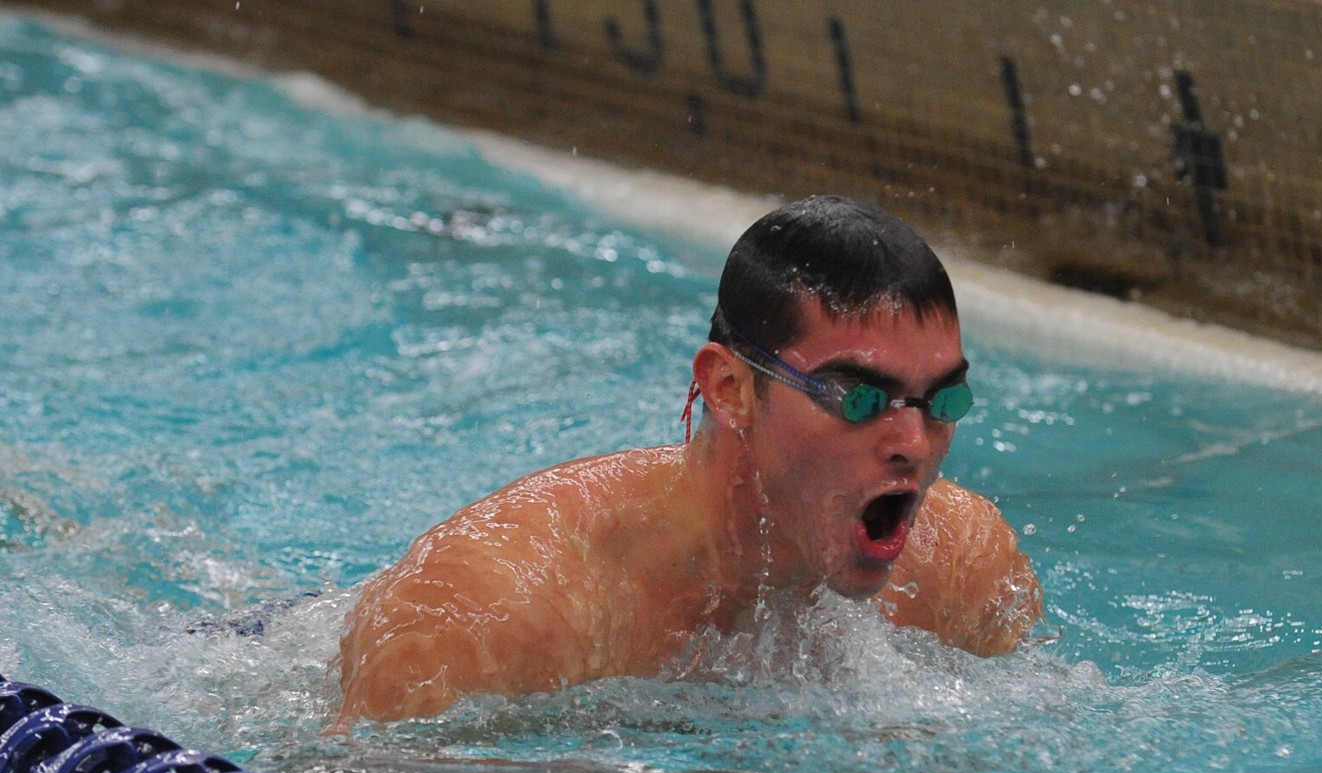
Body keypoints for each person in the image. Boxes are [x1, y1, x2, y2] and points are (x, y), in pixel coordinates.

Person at [335, 195, 1041, 724]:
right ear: (730, 389)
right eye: (859, 400)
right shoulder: (499, 612)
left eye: (943, 402)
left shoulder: (963, 566)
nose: (913, 444)